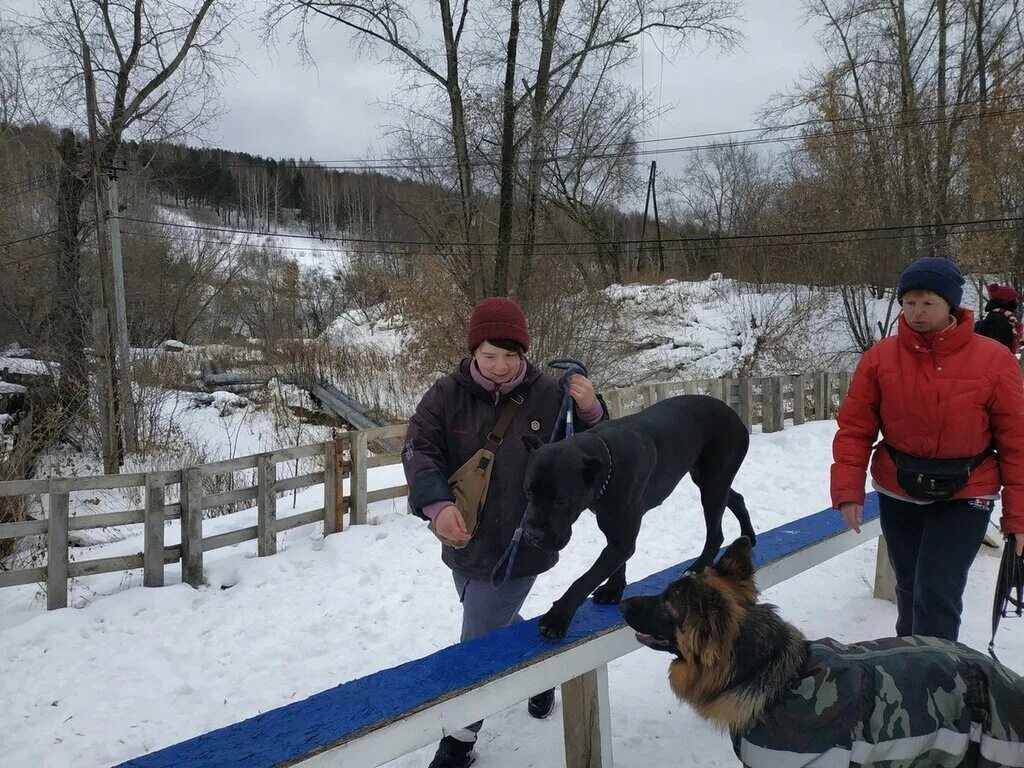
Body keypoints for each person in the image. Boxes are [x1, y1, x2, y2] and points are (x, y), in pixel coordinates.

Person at [402, 296, 608, 768]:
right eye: (489, 355)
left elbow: (595, 450)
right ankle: (540, 675)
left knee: (476, 642)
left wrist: (593, 409)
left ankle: (459, 740)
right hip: (464, 536)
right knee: (494, 624)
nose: (499, 366)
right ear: (474, 350)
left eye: (510, 356)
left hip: (524, 541)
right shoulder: (445, 395)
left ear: (525, 354)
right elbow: (418, 449)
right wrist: (436, 505)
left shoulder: (551, 395)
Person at [831, 255, 1024, 643]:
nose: (916, 312)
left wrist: (1018, 516)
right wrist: (848, 491)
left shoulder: (994, 360)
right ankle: (909, 667)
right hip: (898, 487)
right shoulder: (879, 358)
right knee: (909, 588)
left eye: (928, 303)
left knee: (937, 591)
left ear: (951, 305)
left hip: (967, 490)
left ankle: (936, 685)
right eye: (909, 302)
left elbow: (1016, 440)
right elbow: (855, 429)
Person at [975, 282, 1022, 355]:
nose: (1016, 303)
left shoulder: (1001, 317)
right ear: (1007, 302)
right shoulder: (998, 321)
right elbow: (998, 350)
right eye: (1014, 300)